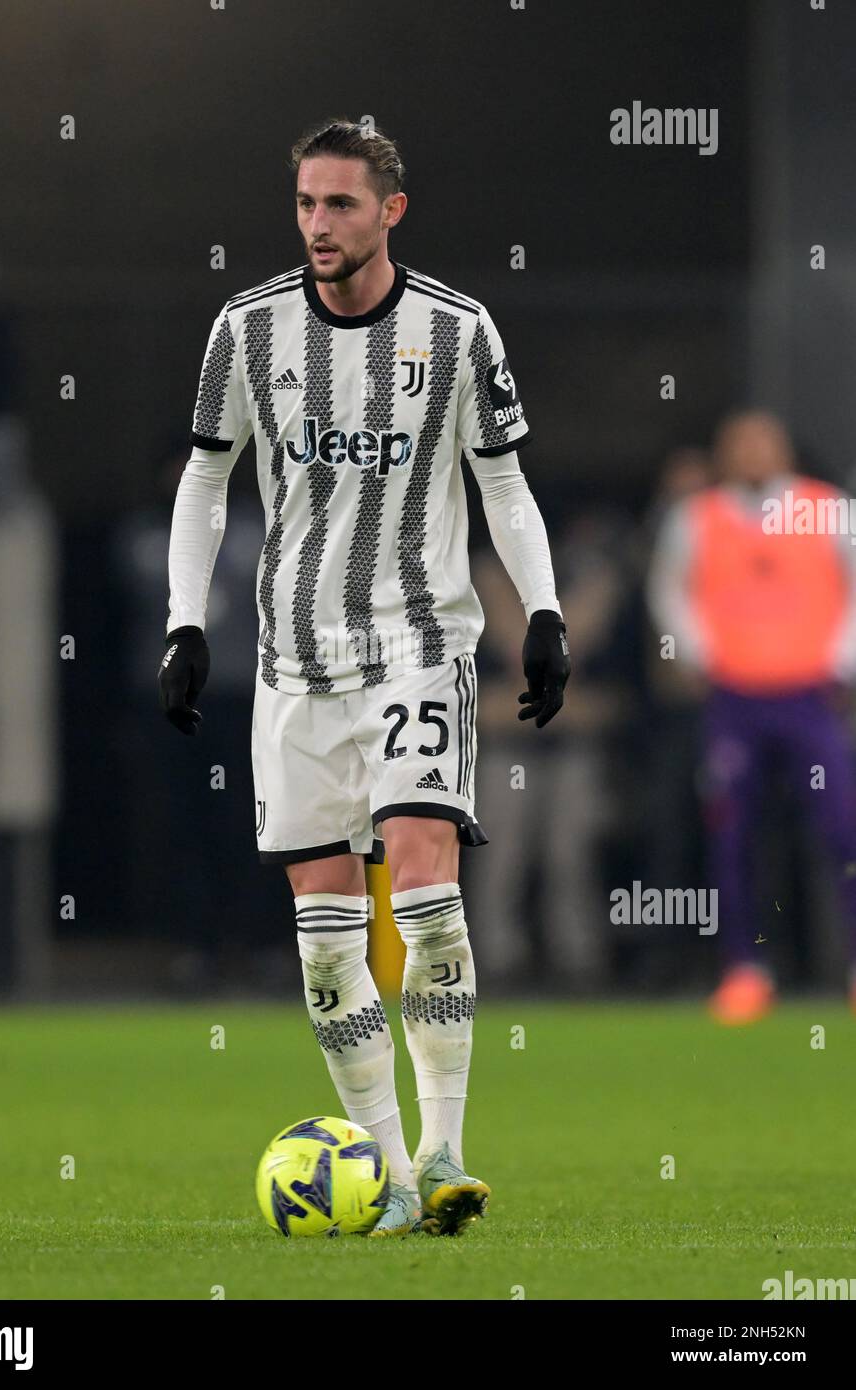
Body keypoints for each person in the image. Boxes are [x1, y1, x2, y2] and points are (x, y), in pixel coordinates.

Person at [159, 119, 570, 1235]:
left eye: (339, 205)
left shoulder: (454, 329)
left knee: (426, 881)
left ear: (390, 209)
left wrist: (540, 608)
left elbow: (504, 480)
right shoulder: (245, 328)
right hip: (292, 665)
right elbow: (206, 478)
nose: (317, 225)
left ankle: (443, 1151)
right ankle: (386, 1175)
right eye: (303, 204)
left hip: (417, 644)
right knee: (325, 923)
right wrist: (183, 622)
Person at [647, 411, 856, 1023]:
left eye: (764, 442)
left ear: (786, 449)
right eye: (740, 444)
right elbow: (670, 592)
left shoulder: (826, 507)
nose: (753, 454)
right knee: (732, 832)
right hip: (734, 701)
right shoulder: (698, 516)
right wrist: (702, 653)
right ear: (724, 453)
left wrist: (841, 662)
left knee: (842, 829)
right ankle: (745, 969)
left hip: (812, 698)